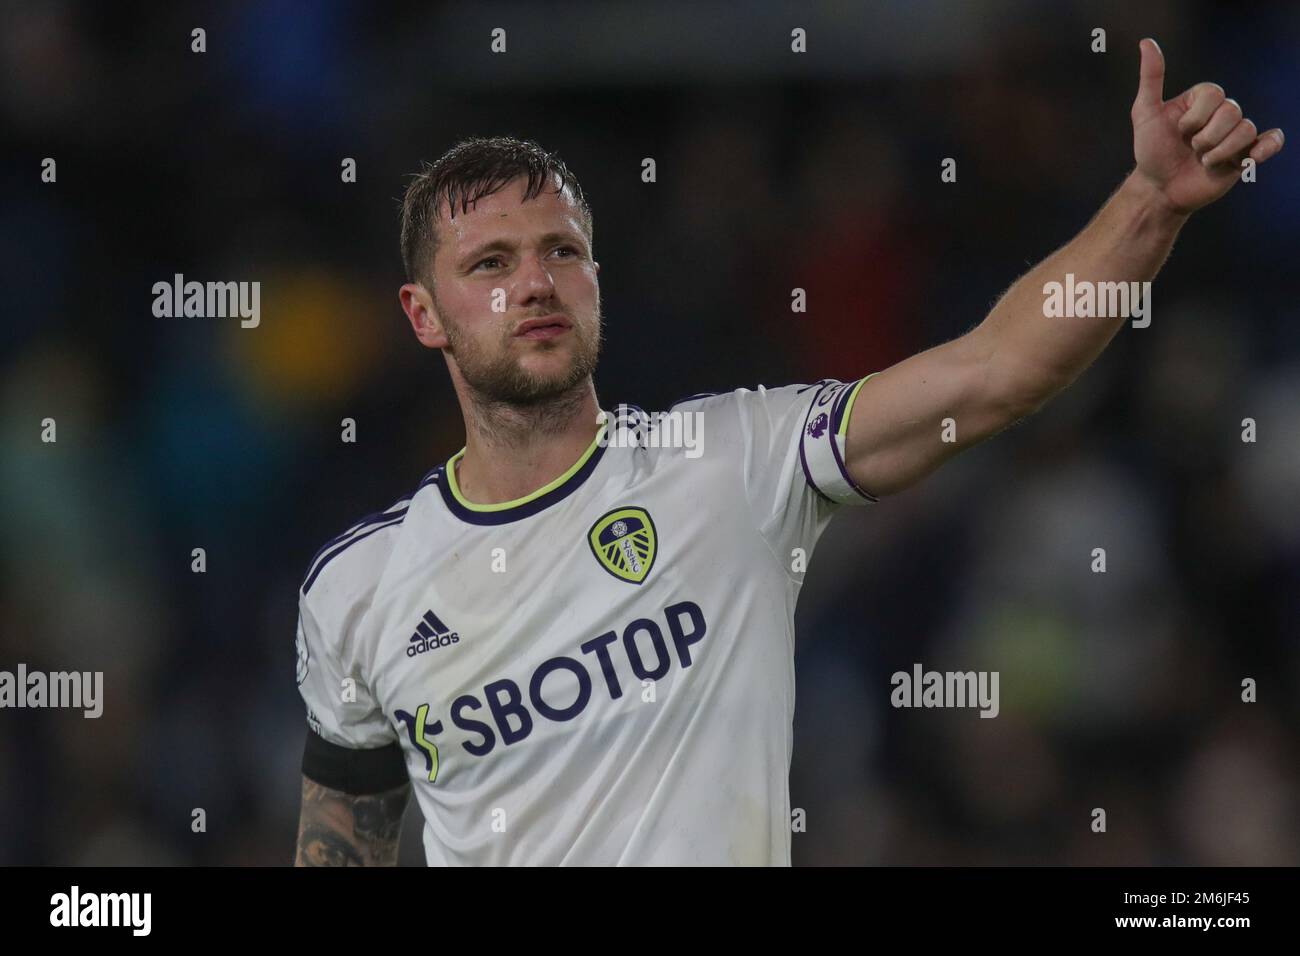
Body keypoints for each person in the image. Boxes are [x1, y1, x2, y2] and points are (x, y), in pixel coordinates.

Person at [293, 39, 1282, 865]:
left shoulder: (736, 460)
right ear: (424, 314)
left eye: (562, 251)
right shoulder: (358, 588)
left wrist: (1149, 204)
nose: (537, 284)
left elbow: (997, 370)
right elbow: (341, 837)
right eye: (490, 264)